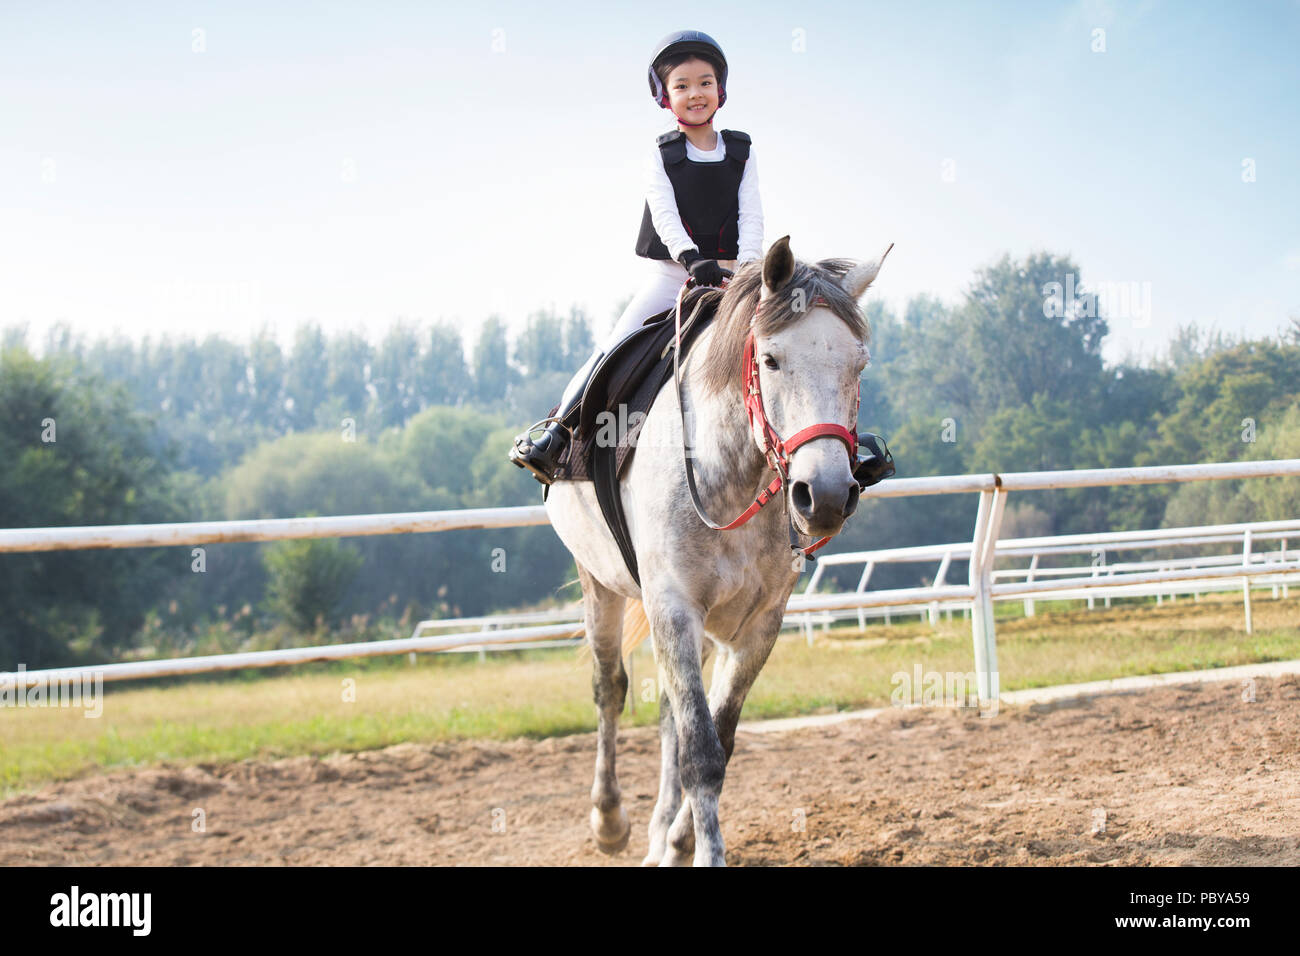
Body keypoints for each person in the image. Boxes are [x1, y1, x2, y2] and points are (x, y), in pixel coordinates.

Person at [509, 29, 764, 484]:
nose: (695, 93)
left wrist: (745, 269)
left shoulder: (741, 152)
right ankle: (557, 433)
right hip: (673, 276)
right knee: (615, 345)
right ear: (665, 97)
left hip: (734, 278)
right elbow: (665, 216)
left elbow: (753, 214)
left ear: (720, 90)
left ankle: (843, 448)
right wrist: (691, 259)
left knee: (793, 341)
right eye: (681, 85)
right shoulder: (662, 154)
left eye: (704, 82)